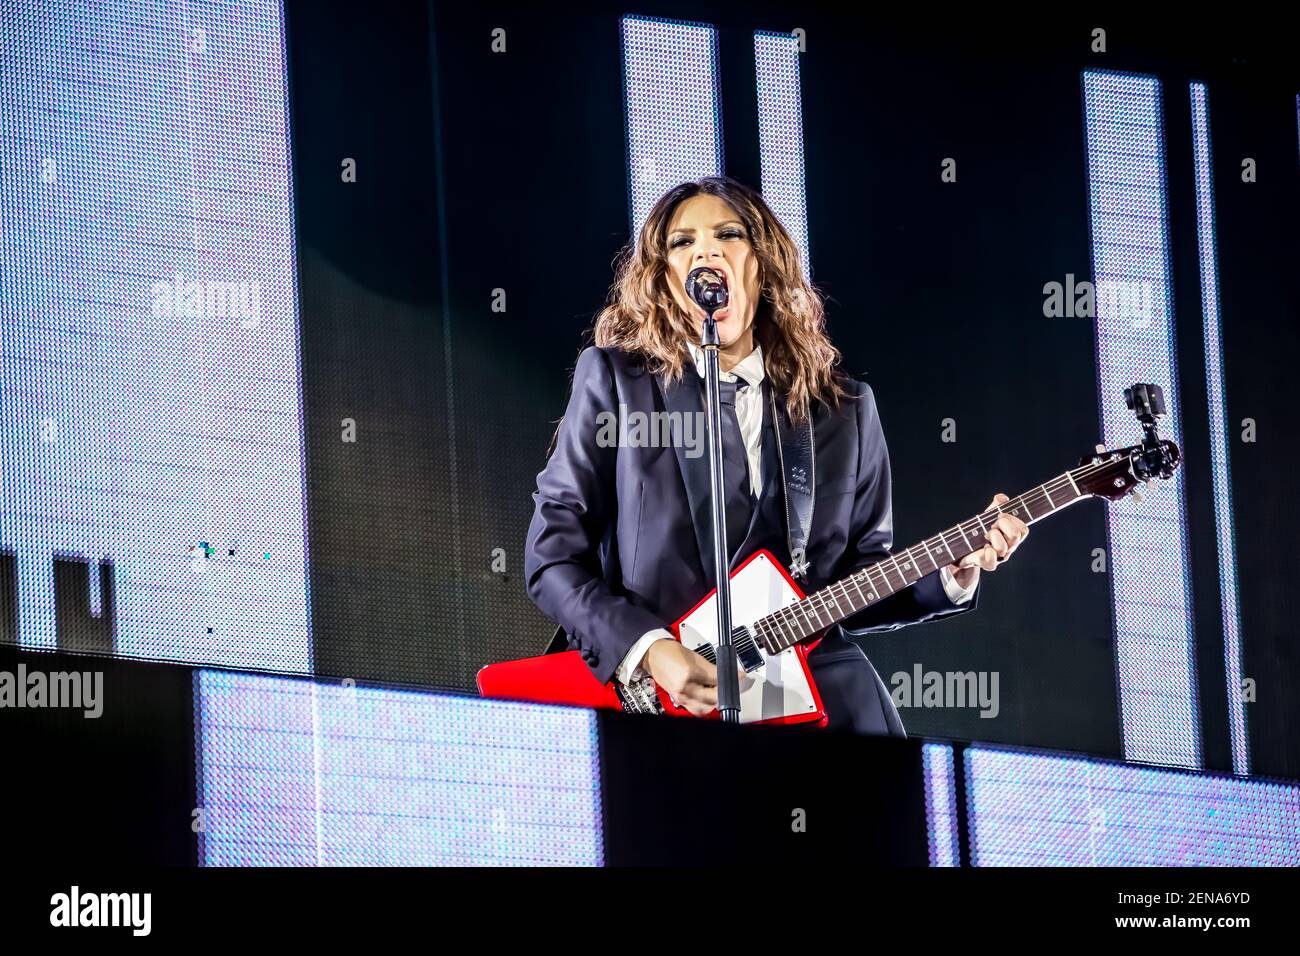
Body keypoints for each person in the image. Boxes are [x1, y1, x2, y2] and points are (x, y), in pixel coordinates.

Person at [523, 175, 1027, 735]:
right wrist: (651, 650)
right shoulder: (617, 382)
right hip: (658, 710)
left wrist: (948, 575)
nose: (706, 251)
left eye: (728, 234)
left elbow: (858, 582)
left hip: (818, 706)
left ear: (762, 265)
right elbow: (553, 558)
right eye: (682, 242)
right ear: (665, 279)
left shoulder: (846, 411)